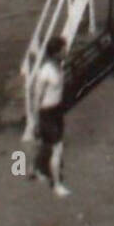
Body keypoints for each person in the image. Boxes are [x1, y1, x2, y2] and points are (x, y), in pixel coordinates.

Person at [32, 36, 71, 197]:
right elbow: (36, 96)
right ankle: (56, 185)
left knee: (47, 144)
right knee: (57, 148)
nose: (66, 51)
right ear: (56, 53)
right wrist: (34, 122)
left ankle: (37, 170)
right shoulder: (45, 71)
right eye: (63, 49)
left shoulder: (59, 66)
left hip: (57, 111)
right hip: (46, 113)